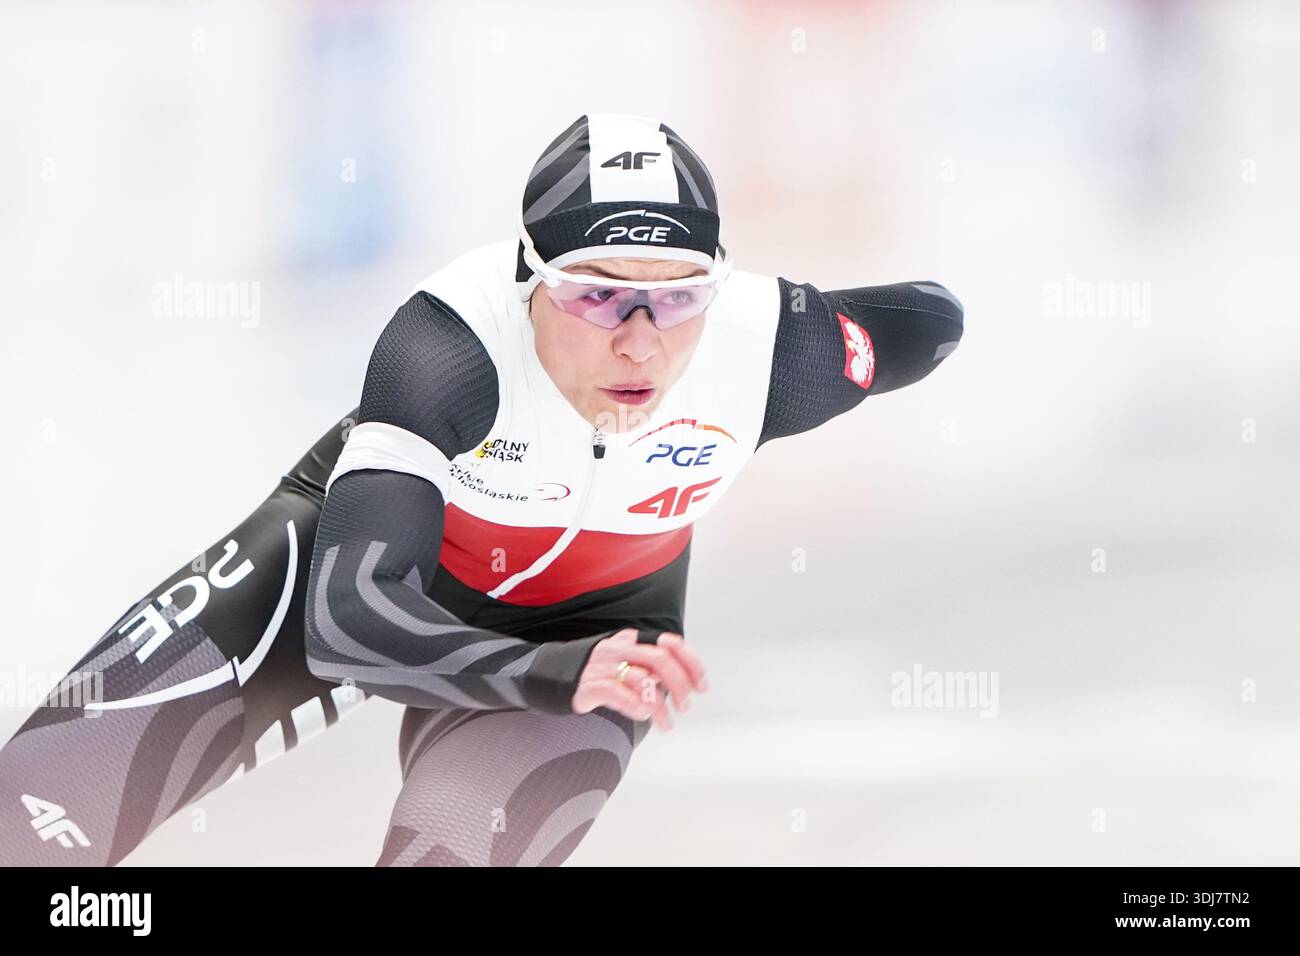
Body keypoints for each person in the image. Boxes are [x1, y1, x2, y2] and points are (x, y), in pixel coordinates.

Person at [0, 113, 964, 866]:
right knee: (31, 814)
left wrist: (793, 310)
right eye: (596, 292)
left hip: (585, 633)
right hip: (367, 578)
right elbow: (347, 620)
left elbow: (932, 321)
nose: (639, 338)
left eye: (675, 295)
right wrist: (555, 675)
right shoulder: (450, 348)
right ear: (528, 278)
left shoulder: (769, 349)